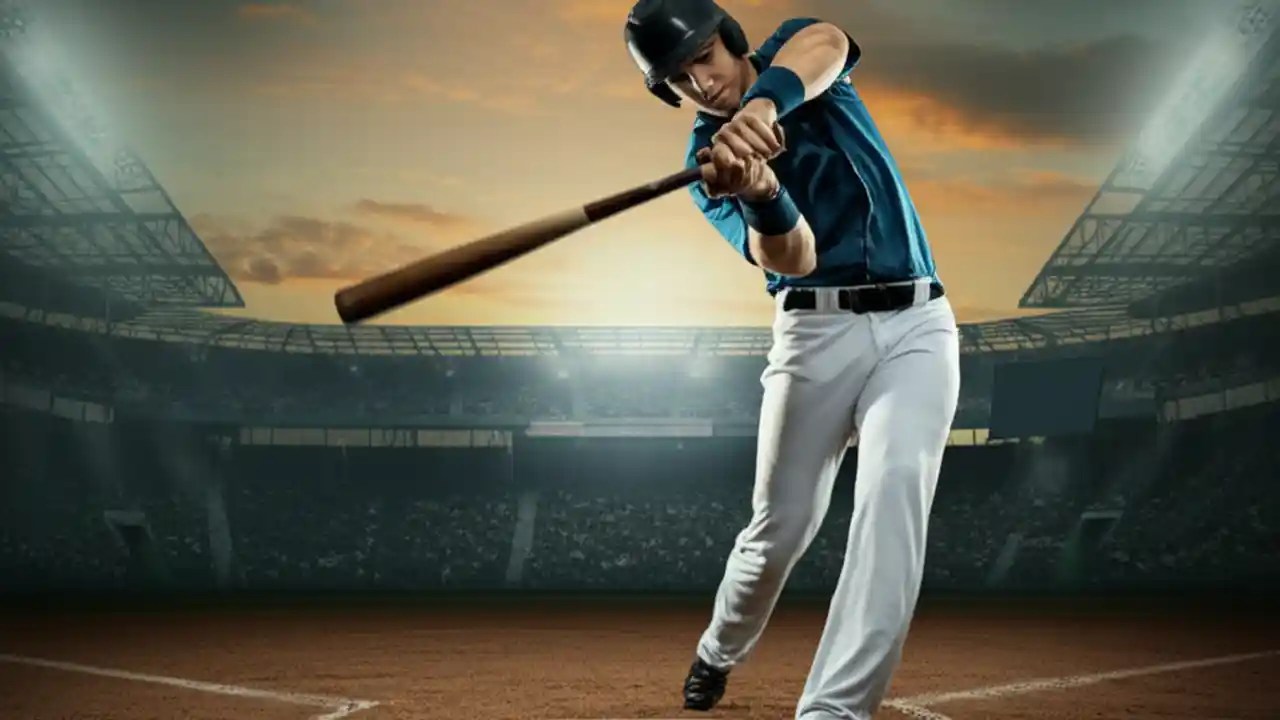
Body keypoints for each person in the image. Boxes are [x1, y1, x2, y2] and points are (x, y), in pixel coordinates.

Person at [623, 1, 962, 718]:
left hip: (919, 324)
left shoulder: (792, 59)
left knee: (895, 487)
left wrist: (764, 103)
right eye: (680, 80)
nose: (704, 85)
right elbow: (795, 258)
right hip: (815, 337)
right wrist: (763, 195)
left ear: (732, 41)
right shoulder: (704, 165)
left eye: (705, 59)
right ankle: (718, 650)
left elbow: (828, 43)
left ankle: (833, 710)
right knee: (781, 529)